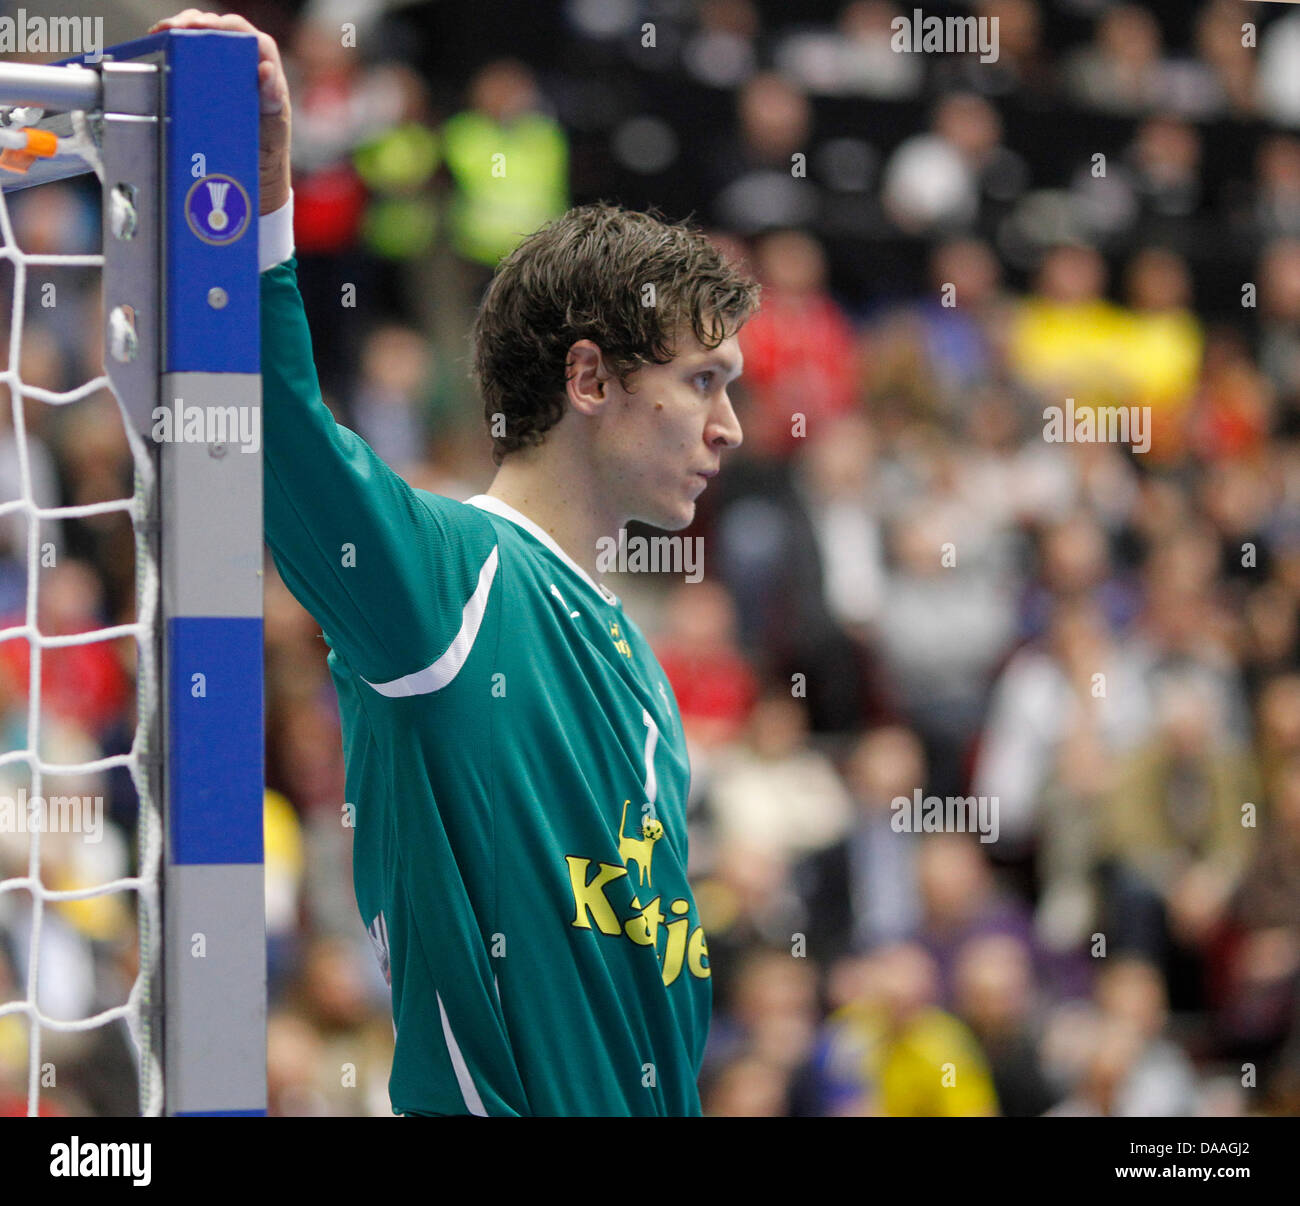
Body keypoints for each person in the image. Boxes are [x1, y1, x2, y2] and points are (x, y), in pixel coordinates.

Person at [150, 11, 760, 1117]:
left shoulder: (638, 663)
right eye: (704, 381)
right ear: (590, 380)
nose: (730, 428)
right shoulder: (452, 584)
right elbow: (279, 437)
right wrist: (252, 203)